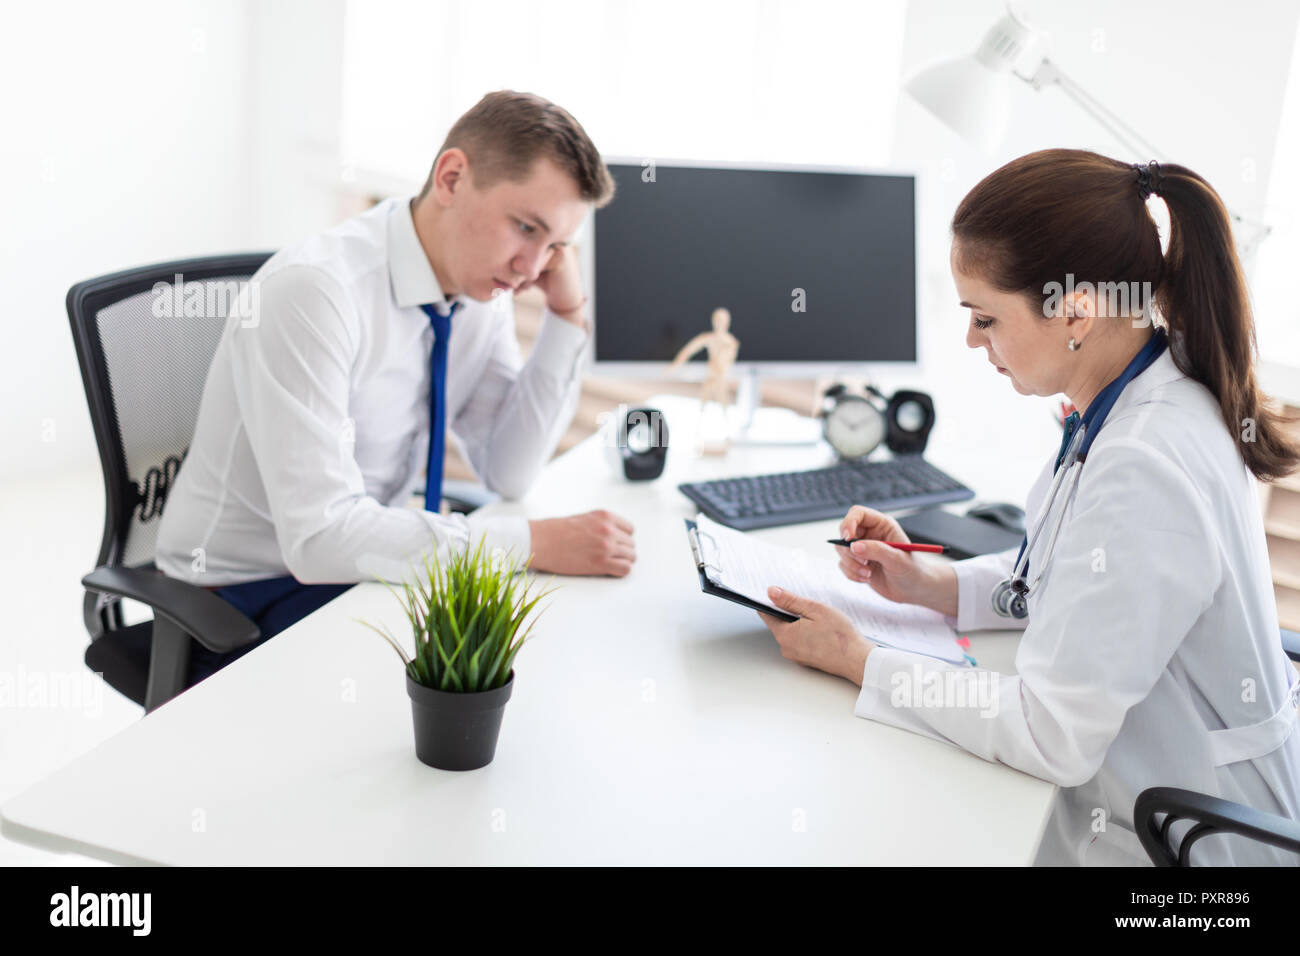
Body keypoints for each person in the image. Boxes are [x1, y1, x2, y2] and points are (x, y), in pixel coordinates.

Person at [757, 148, 1300, 865]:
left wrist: (861, 660)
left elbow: (1052, 736)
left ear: (1075, 311)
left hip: (1195, 855)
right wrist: (933, 585)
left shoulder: (1145, 457)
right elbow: (1069, 578)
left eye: (985, 318)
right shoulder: (1133, 394)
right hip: (1162, 790)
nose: (972, 340)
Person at [156, 90, 636, 687]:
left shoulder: (476, 291)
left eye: (555, 246)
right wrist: (532, 542)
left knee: (522, 655)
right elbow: (320, 538)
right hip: (241, 596)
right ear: (452, 177)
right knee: (466, 681)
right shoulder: (316, 293)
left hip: (351, 563)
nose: (531, 267)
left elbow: (507, 470)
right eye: (525, 227)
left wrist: (568, 315)